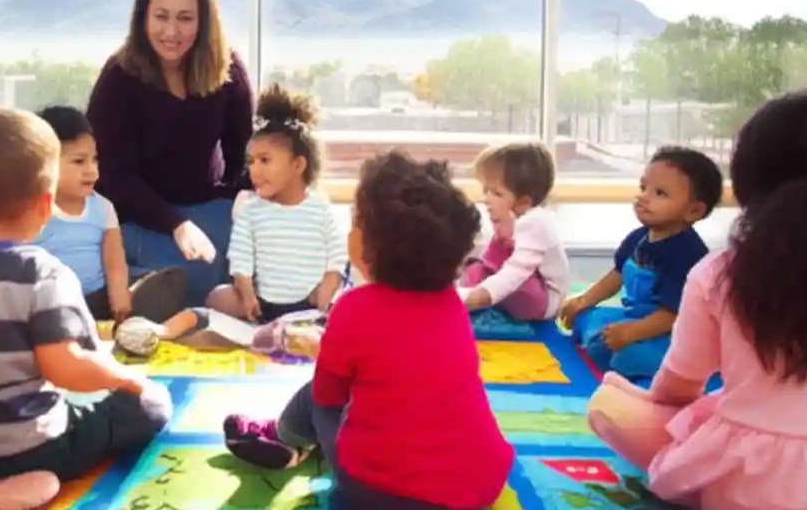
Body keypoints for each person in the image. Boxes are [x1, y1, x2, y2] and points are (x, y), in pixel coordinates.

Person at [586, 92, 807, 509]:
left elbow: (679, 384)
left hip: (753, 473)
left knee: (612, 404)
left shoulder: (720, 272)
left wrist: (683, 412)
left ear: (751, 181)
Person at [0, 109, 171, 510]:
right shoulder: (43, 273)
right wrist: (127, 377)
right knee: (150, 403)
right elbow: (65, 369)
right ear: (46, 203)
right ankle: (18, 482)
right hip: (31, 450)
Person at [222, 151, 513, 509]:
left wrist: (321, 349)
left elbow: (329, 396)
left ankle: (285, 439)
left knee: (315, 393)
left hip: (385, 494)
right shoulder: (452, 303)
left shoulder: (354, 308)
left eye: (355, 221)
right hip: (479, 482)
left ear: (371, 245)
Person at [86, 0, 254, 306]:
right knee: (202, 273)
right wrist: (176, 224)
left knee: (262, 251)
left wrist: (246, 204)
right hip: (139, 215)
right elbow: (115, 176)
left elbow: (244, 153)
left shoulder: (229, 68)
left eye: (185, 18)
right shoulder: (119, 77)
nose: (171, 32)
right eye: (161, 17)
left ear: (204, 21)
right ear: (143, 17)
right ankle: (133, 287)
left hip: (209, 207)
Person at [559, 147, 722, 381]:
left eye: (660, 193)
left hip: (672, 332)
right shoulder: (640, 236)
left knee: (627, 355)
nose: (643, 197)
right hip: (636, 316)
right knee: (588, 318)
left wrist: (631, 333)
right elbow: (617, 274)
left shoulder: (686, 254)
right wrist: (583, 300)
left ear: (694, 210)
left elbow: (672, 315)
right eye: (643, 187)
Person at [33, 105, 187, 324]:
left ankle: (127, 326)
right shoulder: (31, 209)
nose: (92, 170)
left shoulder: (102, 207)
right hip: (52, 303)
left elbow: (114, 260)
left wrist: (119, 296)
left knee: (170, 279)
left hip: (97, 298)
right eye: (79, 161)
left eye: (94, 160)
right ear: (44, 163)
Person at [206, 84, 346, 323]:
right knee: (216, 298)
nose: (254, 170)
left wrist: (327, 288)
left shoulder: (321, 210)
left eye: (265, 160)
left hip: (310, 303)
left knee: (347, 304)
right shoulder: (250, 209)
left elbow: (337, 257)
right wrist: (247, 293)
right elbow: (240, 258)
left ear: (298, 166)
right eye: (251, 161)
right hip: (262, 303)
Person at [459, 142, 569, 320]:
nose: (486, 200)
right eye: (486, 190)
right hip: (520, 281)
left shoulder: (537, 222)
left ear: (524, 202)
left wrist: (479, 296)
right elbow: (489, 259)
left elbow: (516, 272)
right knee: (475, 267)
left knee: (514, 285)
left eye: (496, 193)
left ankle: (483, 297)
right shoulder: (512, 219)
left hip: (544, 301)